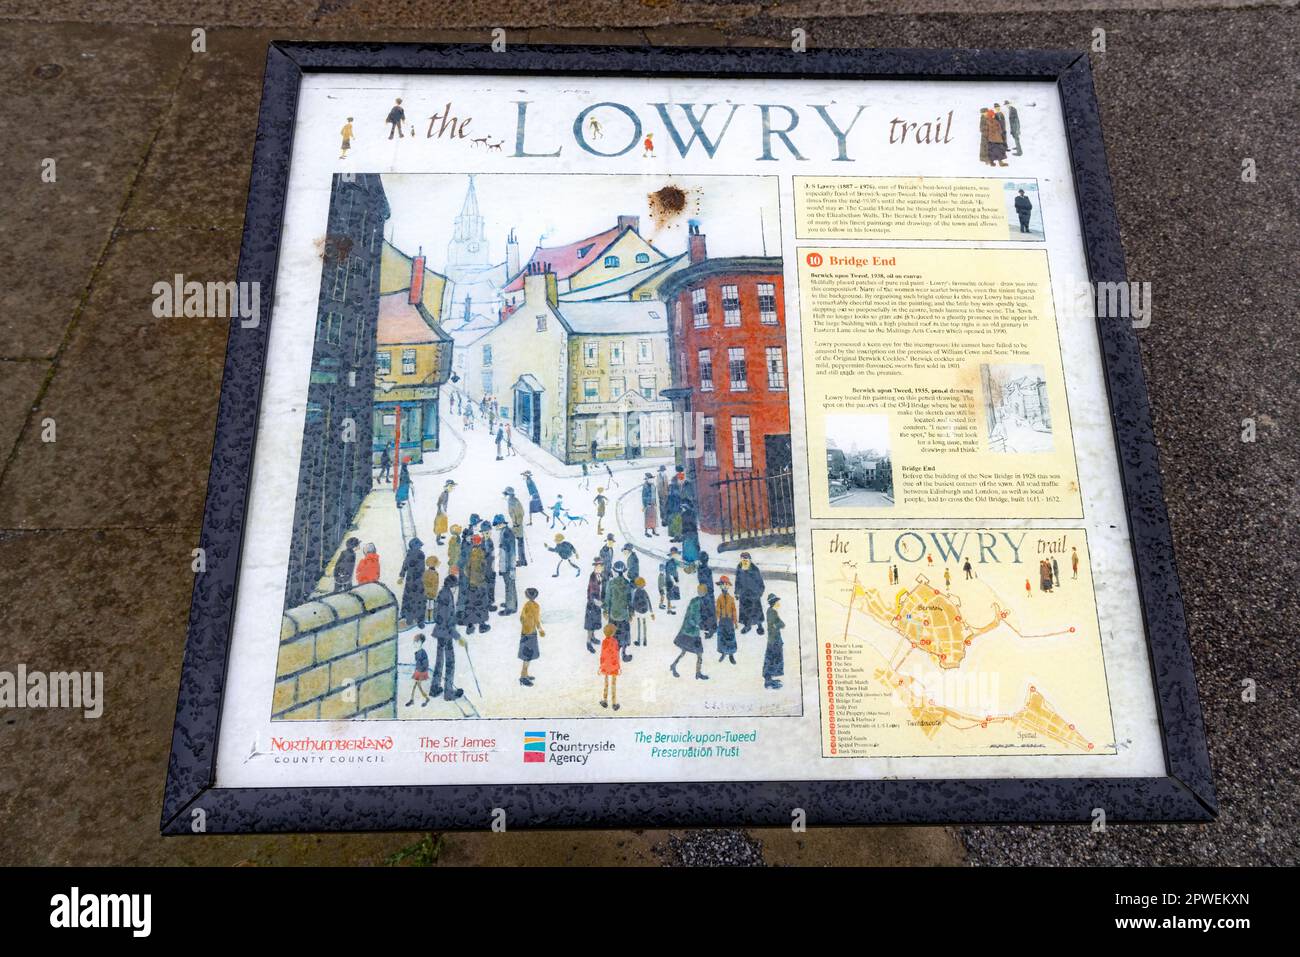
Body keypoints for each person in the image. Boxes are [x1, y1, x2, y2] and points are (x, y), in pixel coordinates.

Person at [430, 575, 464, 701]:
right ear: (452, 586)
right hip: (447, 634)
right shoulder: (448, 597)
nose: (456, 589)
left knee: (439, 660)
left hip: (439, 632)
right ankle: (448, 692)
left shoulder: (441, 593)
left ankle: (435, 687)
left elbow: (437, 615)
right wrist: (458, 636)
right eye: (455, 586)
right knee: (450, 662)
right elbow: (448, 619)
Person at [670, 584, 709, 680]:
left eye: (702, 591)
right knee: (699, 653)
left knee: (684, 652)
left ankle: (674, 665)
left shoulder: (696, 600)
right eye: (701, 591)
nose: (702, 592)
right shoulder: (696, 602)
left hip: (690, 632)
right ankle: (697, 673)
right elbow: (691, 617)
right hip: (690, 633)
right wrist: (698, 625)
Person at [605, 560, 633, 662]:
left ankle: (613, 655)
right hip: (624, 615)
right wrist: (631, 613)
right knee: (624, 635)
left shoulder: (611, 583)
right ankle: (624, 654)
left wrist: (605, 611)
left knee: (614, 635)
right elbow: (630, 600)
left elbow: (607, 599)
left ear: (615, 571)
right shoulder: (627, 584)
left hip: (613, 614)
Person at [397, 538, 427, 629]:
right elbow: (422, 568)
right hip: (419, 581)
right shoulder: (421, 554)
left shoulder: (409, 554)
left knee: (409, 599)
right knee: (419, 600)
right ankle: (420, 621)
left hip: (410, 581)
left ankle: (409, 619)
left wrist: (402, 576)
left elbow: (404, 565)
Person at [464, 533, 491, 633]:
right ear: (480, 542)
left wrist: (471, 577)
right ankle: (482, 625)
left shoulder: (471, 552)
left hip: (471, 583)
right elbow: (484, 567)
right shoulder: (481, 553)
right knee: (481, 604)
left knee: (471, 603)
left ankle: (470, 627)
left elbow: (466, 569)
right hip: (480, 583)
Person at [518, 587, 543, 687]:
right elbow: (537, 620)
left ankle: (525, 674)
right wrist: (540, 630)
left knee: (527, 657)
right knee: (527, 657)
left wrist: (525, 624)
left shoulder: (526, 605)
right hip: (531, 633)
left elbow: (521, 618)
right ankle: (523, 677)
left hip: (525, 632)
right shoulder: (536, 606)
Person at [735, 552, 765, 634]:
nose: (744, 561)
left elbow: (761, 583)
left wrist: (759, 593)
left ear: (750, 560)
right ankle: (747, 626)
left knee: (756, 612)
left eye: (746, 559)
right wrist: (737, 592)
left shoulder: (755, 570)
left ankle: (760, 626)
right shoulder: (739, 568)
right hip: (744, 595)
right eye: (743, 560)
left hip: (754, 595)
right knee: (745, 612)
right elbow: (737, 581)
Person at [495, 515, 518, 616]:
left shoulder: (507, 533)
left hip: (509, 565)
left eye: (497, 524)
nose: (495, 526)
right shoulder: (503, 532)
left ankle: (511, 607)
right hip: (504, 564)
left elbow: (512, 552)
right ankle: (510, 603)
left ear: (501, 523)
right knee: (508, 584)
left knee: (510, 585)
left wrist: (512, 568)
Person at [763, 594, 785, 689]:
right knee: (772, 659)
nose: (778, 603)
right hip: (774, 640)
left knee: (773, 659)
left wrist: (778, 624)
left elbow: (782, 624)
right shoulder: (771, 612)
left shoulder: (772, 611)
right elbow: (777, 625)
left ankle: (770, 679)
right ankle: (768, 682)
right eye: (777, 602)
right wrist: (778, 625)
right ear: (774, 603)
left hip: (774, 639)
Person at [715, 575, 738, 664]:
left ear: (728, 586)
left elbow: (734, 610)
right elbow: (717, 610)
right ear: (720, 586)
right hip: (722, 621)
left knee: (730, 638)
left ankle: (731, 655)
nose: (724, 586)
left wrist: (735, 622)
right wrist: (716, 620)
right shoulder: (719, 598)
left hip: (729, 621)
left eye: (726, 584)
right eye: (722, 584)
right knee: (722, 638)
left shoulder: (731, 598)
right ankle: (723, 653)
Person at [584, 559, 605, 653]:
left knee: (594, 623)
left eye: (600, 567)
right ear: (595, 567)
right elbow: (591, 593)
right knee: (590, 626)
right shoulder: (593, 577)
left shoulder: (599, 575)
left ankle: (593, 638)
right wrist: (599, 603)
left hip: (596, 603)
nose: (599, 568)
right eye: (598, 567)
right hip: (592, 604)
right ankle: (588, 643)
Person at [599, 622, 621, 710]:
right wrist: (618, 666)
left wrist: (601, 665)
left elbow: (602, 654)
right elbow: (616, 654)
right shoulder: (615, 642)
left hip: (606, 665)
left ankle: (605, 700)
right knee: (613, 684)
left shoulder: (604, 642)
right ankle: (614, 703)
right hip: (614, 665)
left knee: (606, 684)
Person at [695, 551, 717, 639]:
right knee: (704, 609)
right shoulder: (702, 568)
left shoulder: (704, 570)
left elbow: (706, 583)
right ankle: (705, 625)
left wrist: (704, 593)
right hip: (704, 592)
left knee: (708, 611)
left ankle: (711, 629)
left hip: (706, 592)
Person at [406, 635, 432, 707]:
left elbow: (425, 663)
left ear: (421, 642)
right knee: (416, 686)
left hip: (421, 672)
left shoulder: (422, 652)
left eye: (417, 641)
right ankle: (413, 700)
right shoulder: (418, 652)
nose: (415, 643)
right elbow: (418, 662)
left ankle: (425, 698)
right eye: (415, 641)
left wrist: (421, 670)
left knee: (417, 686)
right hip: (418, 671)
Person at [504, 487, 527, 566]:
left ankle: (522, 560)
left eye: (506, 494)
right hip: (515, 524)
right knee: (519, 542)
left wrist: (517, 523)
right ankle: (522, 560)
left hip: (518, 525)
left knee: (519, 542)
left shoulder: (514, 501)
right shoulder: (511, 501)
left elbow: (520, 513)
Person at [632, 576, 654, 647]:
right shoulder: (645, 592)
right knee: (644, 625)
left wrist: (632, 611)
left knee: (639, 626)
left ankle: (638, 641)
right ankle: (645, 641)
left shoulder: (635, 592)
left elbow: (633, 602)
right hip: (645, 611)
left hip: (638, 611)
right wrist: (651, 612)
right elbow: (649, 601)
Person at [659, 546, 681, 614]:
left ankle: (669, 607)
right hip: (670, 581)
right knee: (670, 595)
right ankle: (669, 609)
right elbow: (672, 572)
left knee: (669, 595)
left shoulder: (672, 561)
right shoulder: (672, 562)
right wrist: (676, 579)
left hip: (669, 580)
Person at [434, 479, 455, 544]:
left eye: (452, 487)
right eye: (450, 486)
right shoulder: (444, 494)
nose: (452, 488)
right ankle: (438, 540)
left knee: (442, 525)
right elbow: (441, 505)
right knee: (439, 526)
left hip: (442, 512)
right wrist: (444, 513)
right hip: (441, 513)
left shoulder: (446, 493)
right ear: (446, 486)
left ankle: (440, 536)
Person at [680, 500, 700, 565]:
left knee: (688, 546)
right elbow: (694, 523)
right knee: (693, 546)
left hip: (687, 532)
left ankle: (688, 560)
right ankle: (694, 560)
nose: (682, 509)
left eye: (683, 508)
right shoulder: (693, 513)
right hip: (693, 532)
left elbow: (684, 524)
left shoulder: (684, 514)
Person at [422, 556, 441, 624]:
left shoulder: (425, 572)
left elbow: (424, 582)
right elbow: (434, 585)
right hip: (432, 593)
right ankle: (430, 619)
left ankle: (427, 619)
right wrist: (434, 593)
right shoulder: (434, 573)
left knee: (428, 606)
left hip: (426, 592)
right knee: (431, 606)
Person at [641, 472, 658, 537]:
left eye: (651, 478)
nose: (651, 479)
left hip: (653, 503)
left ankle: (654, 531)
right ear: (647, 479)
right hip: (648, 504)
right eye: (649, 478)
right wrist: (645, 505)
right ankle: (646, 532)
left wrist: (655, 503)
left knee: (654, 518)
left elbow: (654, 495)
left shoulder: (653, 485)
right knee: (647, 518)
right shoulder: (645, 486)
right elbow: (643, 496)